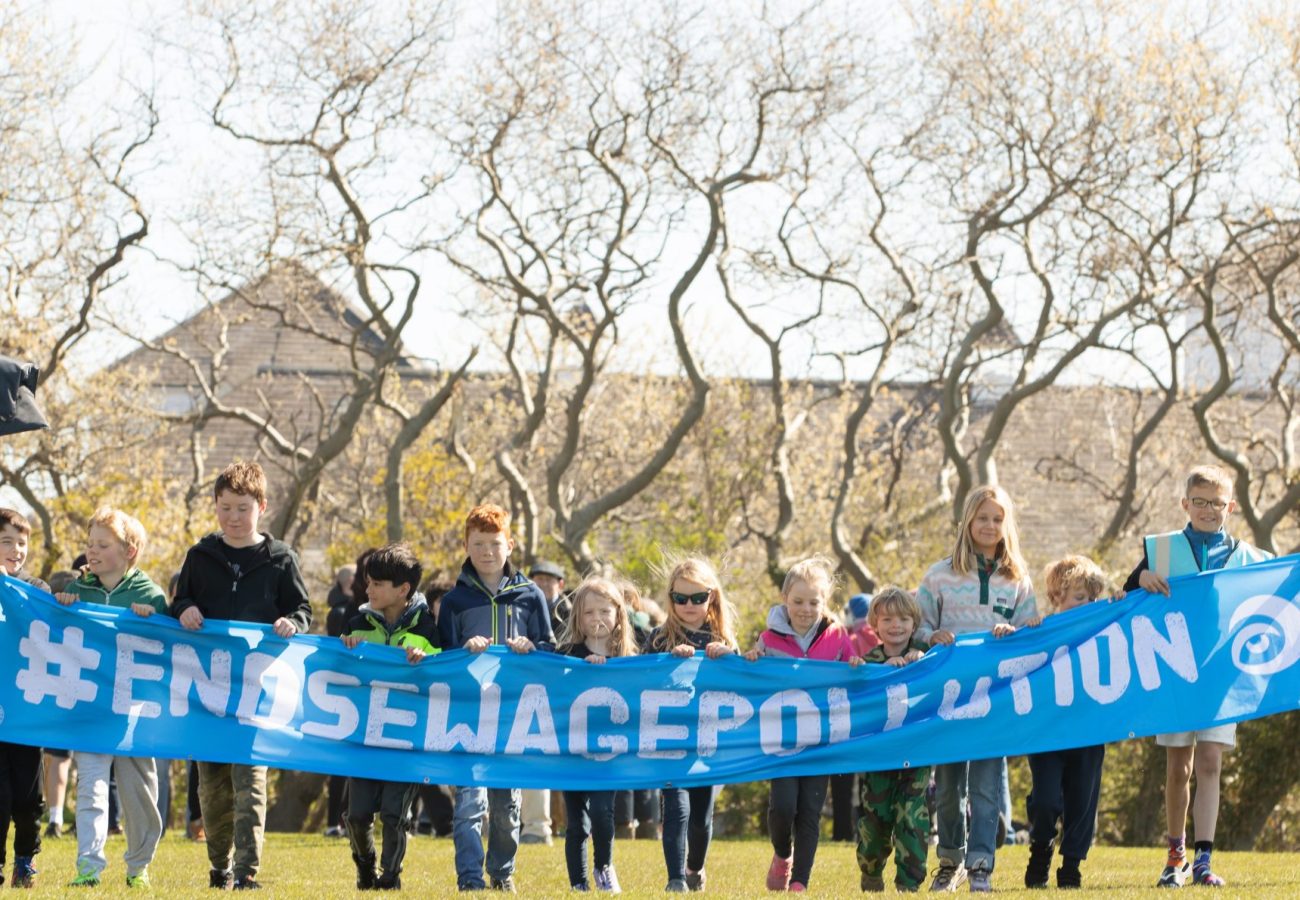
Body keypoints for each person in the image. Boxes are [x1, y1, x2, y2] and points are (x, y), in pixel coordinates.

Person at [1122, 465, 1273, 888]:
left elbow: (1280, 591)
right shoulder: (1163, 550)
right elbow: (1126, 597)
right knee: (1177, 767)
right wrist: (1142, 579)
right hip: (1173, 675)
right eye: (1200, 502)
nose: (1209, 510)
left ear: (1231, 506)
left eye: (1217, 503)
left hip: (1221, 677)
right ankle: (1176, 856)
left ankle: (1204, 859)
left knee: (1210, 763)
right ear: (1186, 504)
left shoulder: (1248, 557)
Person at [171, 461, 312, 890]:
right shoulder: (200, 556)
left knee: (249, 783)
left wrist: (294, 623)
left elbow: (304, 610)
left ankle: (248, 871)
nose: (233, 517)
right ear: (215, 507)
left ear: (261, 507)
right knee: (211, 788)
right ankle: (220, 865)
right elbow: (179, 602)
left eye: (243, 508)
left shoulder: (281, 559)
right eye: (226, 507)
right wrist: (184, 609)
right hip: (207, 692)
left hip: (256, 691)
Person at [916, 485, 1037, 893]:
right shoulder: (939, 575)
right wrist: (932, 637)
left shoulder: (1017, 578)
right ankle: (950, 861)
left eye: (997, 519)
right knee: (949, 787)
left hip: (994, 700)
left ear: (1007, 525)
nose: (989, 526)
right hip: (949, 700)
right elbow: (916, 629)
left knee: (986, 786)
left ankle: (981, 863)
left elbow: (1032, 633)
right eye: (982, 518)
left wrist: (1014, 633)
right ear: (967, 521)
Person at [438, 503, 554, 892]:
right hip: (467, 715)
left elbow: (550, 648)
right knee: (470, 804)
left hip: (513, 716)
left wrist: (531, 645)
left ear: (510, 544)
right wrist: (461, 649)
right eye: (478, 544)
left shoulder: (531, 595)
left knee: (506, 808)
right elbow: (441, 657)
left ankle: (502, 873)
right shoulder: (455, 602)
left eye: (495, 543)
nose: (487, 552)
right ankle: (470, 878)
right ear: (466, 546)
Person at [54, 506, 167, 888]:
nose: (92, 551)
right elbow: (54, 632)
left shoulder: (150, 593)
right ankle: (88, 867)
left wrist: (153, 618)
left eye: (103, 544)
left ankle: (138, 867)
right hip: (91, 709)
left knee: (139, 794)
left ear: (129, 551)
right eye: (89, 544)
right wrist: (62, 607)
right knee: (90, 787)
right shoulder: (78, 588)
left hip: (135, 713)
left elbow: (170, 648)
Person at [745, 555, 861, 892]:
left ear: (825, 602)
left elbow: (855, 670)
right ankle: (783, 853)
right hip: (782, 742)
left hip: (819, 742)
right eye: (798, 601)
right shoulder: (769, 638)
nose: (806, 609)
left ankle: (799, 884)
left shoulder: (837, 636)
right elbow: (753, 682)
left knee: (810, 812)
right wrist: (753, 660)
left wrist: (855, 662)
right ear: (785, 600)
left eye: (814, 601)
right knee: (782, 808)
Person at [340, 543, 440, 890]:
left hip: (406, 738)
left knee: (396, 814)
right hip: (365, 738)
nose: (367, 590)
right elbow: (337, 670)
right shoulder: (355, 623)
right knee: (357, 815)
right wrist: (345, 650)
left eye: (376, 584)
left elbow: (443, 672)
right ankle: (364, 866)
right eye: (368, 583)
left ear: (403, 590)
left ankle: (389, 876)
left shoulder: (428, 628)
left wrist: (425, 656)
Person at [646, 556, 738, 893]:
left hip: (709, 743)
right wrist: (665, 663)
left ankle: (694, 869)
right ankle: (675, 879)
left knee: (701, 818)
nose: (689, 605)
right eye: (680, 598)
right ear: (669, 598)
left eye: (698, 598)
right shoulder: (658, 638)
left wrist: (728, 658)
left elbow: (743, 686)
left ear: (712, 597)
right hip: (669, 740)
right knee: (676, 809)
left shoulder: (723, 638)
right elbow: (636, 680)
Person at [1022, 556, 1111, 890]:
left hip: (1088, 730)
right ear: (1056, 596)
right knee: (1045, 799)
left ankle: (1071, 866)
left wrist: (1120, 607)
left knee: (1082, 800)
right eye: (1078, 597)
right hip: (1046, 732)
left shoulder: (1103, 628)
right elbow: (1013, 656)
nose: (1087, 605)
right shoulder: (1039, 630)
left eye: (1092, 598)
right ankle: (1041, 848)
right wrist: (1012, 633)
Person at [554, 577, 638, 892]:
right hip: (572, 752)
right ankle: (578, 882)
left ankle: (604, 867)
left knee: (603, 813)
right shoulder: (566, 653)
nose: (597, 619)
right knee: (576, 822)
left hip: (610, 754)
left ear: (619, 614)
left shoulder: (630, 657)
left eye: (605, 611)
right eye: (589, 612)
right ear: (578, 616)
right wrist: (579, 670)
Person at [855, 586, 931, 892]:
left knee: (912, 820)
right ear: (875, 625)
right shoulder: (866, 661)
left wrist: (921, 658)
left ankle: (908, 885)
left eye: (903, 619)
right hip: (878, 758)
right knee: (876, 822)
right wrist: (876, 673)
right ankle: (871, 872)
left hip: (916, 756)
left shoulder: (925, 659)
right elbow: (854, 697)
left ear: (914, 624)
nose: (895, 625)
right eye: (887, 620)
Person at [0, 508, 48, 888]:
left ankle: (25, 861)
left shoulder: (37, 588)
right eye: (6, 542)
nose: (16, 550)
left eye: (22, 543)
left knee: (28, 798)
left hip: (28, 713)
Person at [521, 558, 568, 847]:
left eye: (549, 579)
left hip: (561, 693)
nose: (543, 583)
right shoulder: (522, 606)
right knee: (533, 755)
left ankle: (556, 825)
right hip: (528, 691)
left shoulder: (571, 611)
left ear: (560, 584)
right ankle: (536, 827)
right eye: (538, 578)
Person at [324, 553, 372, 839]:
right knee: (340, 762)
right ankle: (335, 820)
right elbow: (335, 652)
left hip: (371, 694)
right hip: (346, 694)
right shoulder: (343, 614)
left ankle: (355, 817)